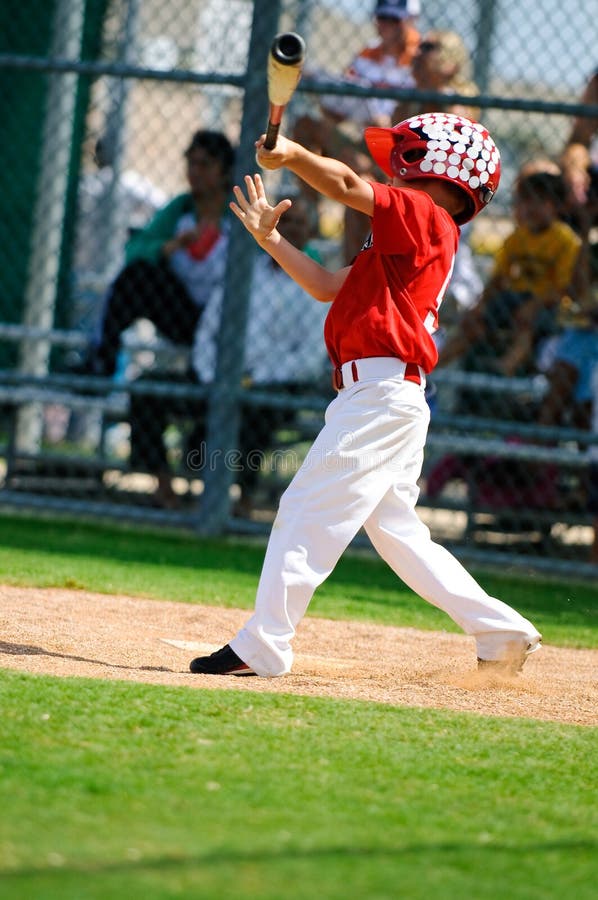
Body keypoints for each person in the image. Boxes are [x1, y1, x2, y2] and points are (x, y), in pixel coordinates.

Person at [188, 111, 542, 678]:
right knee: (401, 536)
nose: (394, 173)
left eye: (405, 159)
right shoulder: (401, 245)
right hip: (383, 396)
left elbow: (350, 186)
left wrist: (294, 156)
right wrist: (271, 239)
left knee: (305, 508)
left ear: (438, 165)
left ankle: (264, 644)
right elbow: (327, 286)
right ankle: (501, 633)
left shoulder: (427, 216)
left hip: (380, 394)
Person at [127, 194, 330, 509]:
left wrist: (253, 379)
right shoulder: (244, 271)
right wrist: (212, 375)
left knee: (256, 409)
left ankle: (241, 499)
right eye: (284, 220)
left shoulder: (317, 284)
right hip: (218, 376)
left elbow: (308, 359)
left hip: (272, 385)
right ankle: (164, 487)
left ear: (310, 233)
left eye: (298, 223)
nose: (290, 228)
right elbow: (209, 330)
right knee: (145, 389)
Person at [77, 130, 235, 378]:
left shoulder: (237, 215)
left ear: (224, 171)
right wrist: (171, 246)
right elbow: (135, 251)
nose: (195, 172)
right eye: (191, 163)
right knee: (136, 276)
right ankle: (102, 359)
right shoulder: (180, 209)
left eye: (204, 164)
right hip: (185, 314)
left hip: (225, 319)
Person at [437, 170, 581, 379]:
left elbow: (563, 287)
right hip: (514, 297)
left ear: (557, 206)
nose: (529, 208)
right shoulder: (518, 237)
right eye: (524, 201)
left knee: (528, 322)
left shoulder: (564, 240)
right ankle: (435, 366)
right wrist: (480, 307)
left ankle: (505, 367)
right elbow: (498, 278)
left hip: (547, 303)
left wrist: (534, 306)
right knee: (474, 322)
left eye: (539, 202)